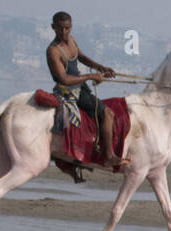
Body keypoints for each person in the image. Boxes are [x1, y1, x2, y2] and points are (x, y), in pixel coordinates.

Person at [46, 11, 123, 172]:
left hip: (81, 88)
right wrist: (90, 76)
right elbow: (64, 79)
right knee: (107, 113)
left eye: (67, 28)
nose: (64, 32)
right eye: (60, 29)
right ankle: (108, 156)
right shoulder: (53, 51)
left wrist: (101, 68)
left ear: (71, 27)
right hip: (70, 92)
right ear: (53, 28)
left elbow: (81, 57)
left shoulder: (72, 41)